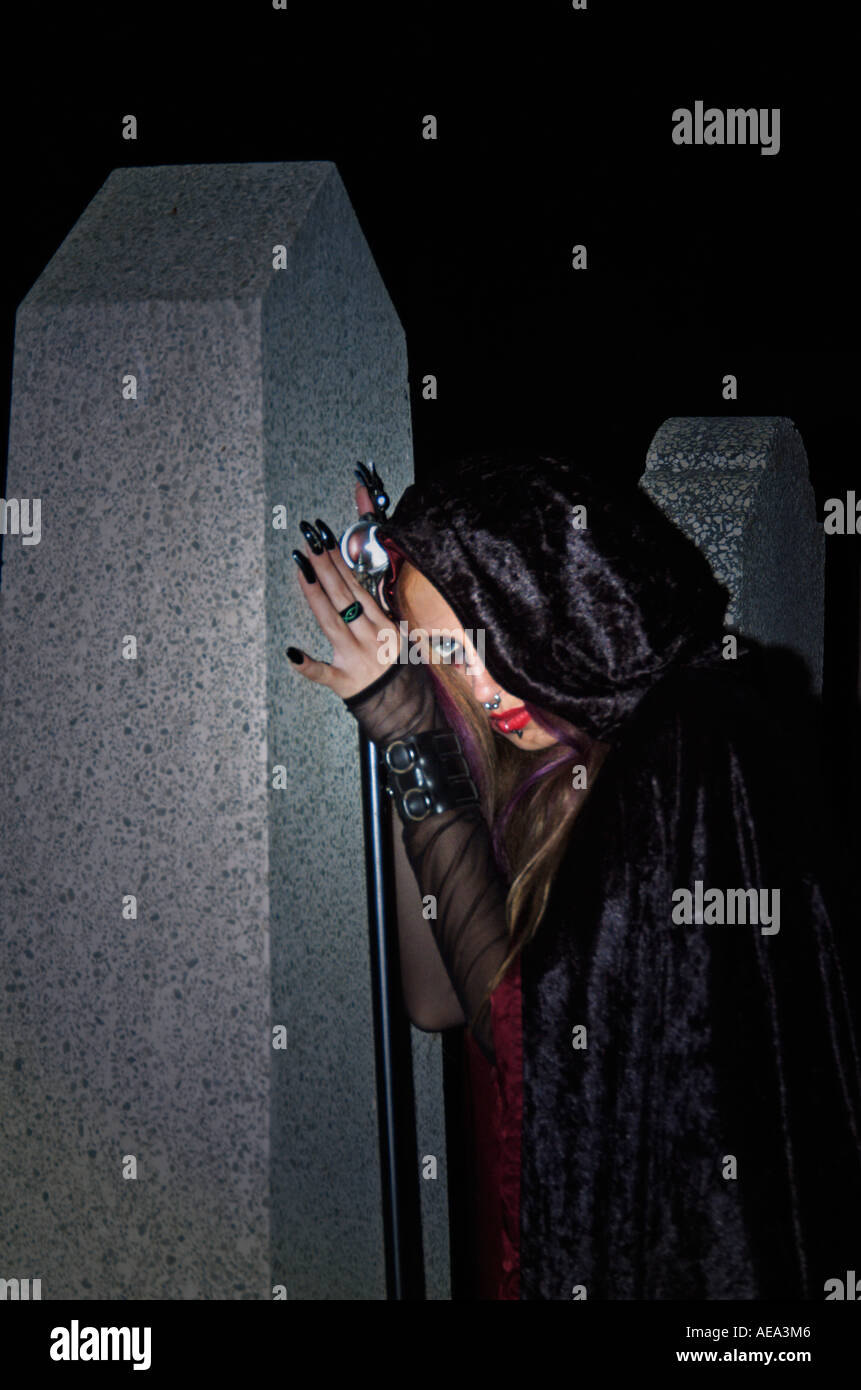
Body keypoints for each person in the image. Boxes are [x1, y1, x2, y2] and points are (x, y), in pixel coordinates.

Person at [285, 453, 861, 1301]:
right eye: (446, 660)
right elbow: (440, 1001)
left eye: (482, 644)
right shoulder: (536, 783)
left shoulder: (686, 758)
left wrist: (410, 733)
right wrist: (411, 739)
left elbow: (520, 1028)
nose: (481, 692)